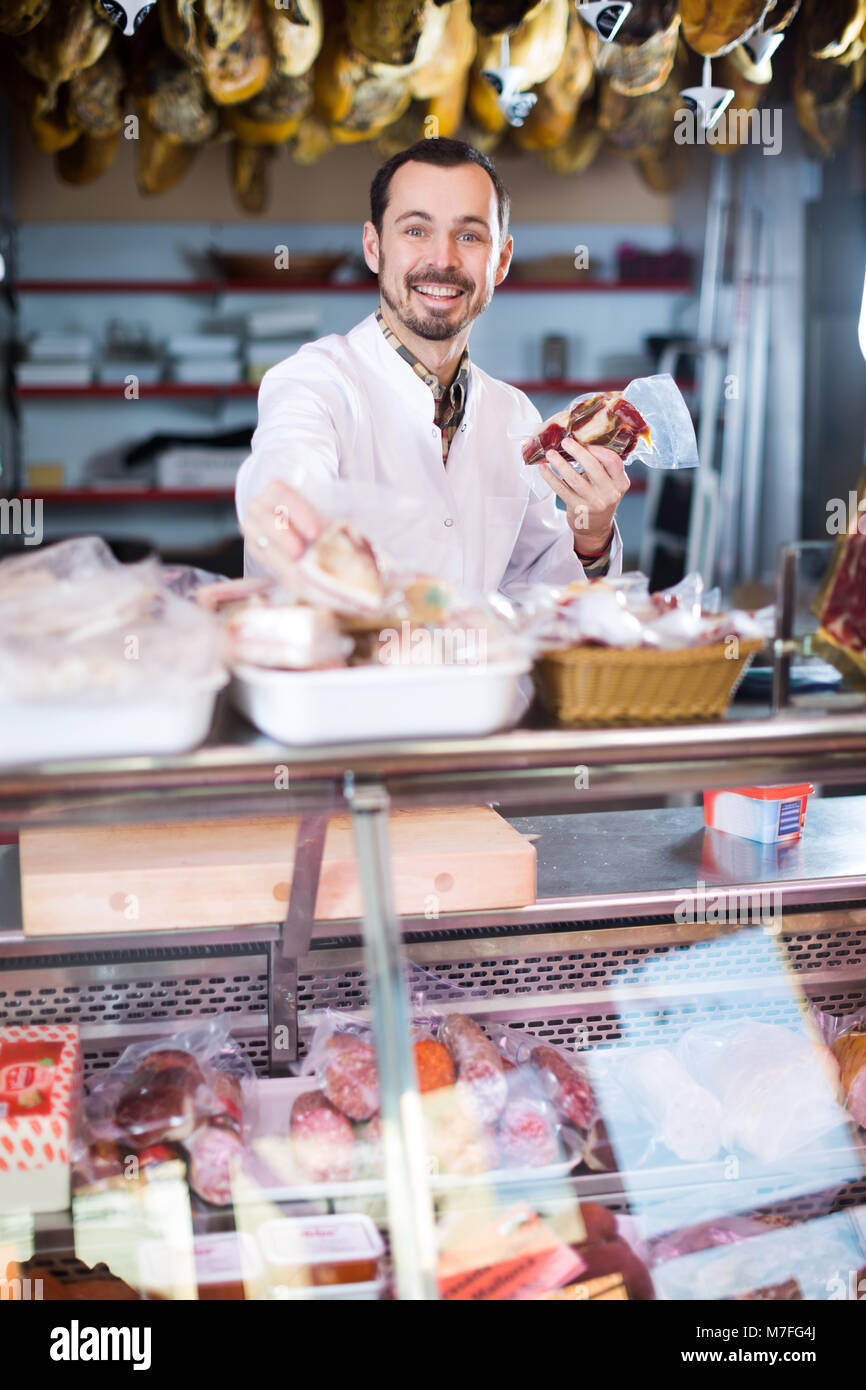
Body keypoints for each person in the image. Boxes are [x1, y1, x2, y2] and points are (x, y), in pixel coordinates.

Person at [235, 137, 629, 597]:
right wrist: (287, 504)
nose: (442, 260)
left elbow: (534, 593)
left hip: (480, 670)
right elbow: (286, 464)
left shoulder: (514, 415)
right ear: (373, 246)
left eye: (469, 236)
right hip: (342, 666)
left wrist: (592, 533)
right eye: (416, 230)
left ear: (500, 261)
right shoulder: (314, 383)